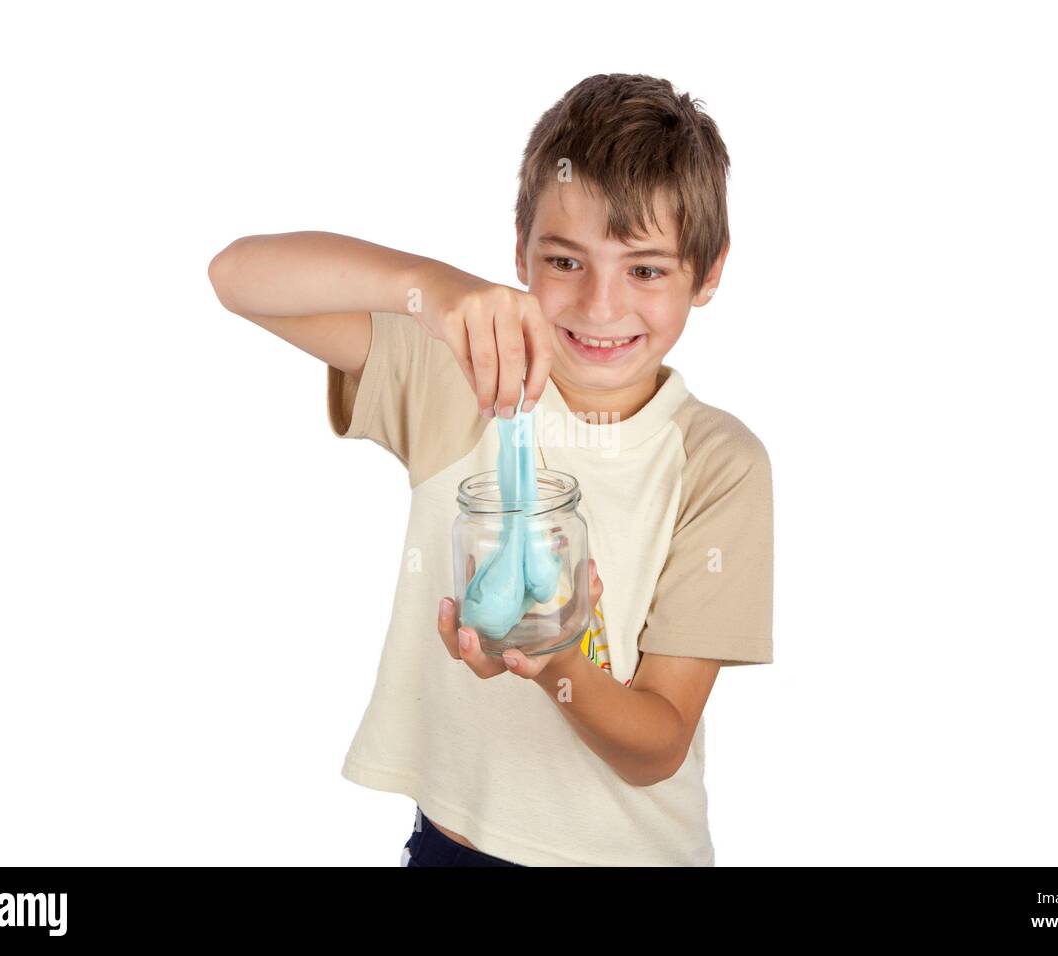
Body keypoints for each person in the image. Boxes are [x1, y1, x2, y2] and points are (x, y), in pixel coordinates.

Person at [207, 73, 773, 866]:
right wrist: (433, 294)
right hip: (451, 846)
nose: (601, 306)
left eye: (645, 270)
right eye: (565, 261)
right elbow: (238, 277)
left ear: (708, 272)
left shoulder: (718, 465)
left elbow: (658, 745)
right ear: (519, 251)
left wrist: (558, 664)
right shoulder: (459, 377)